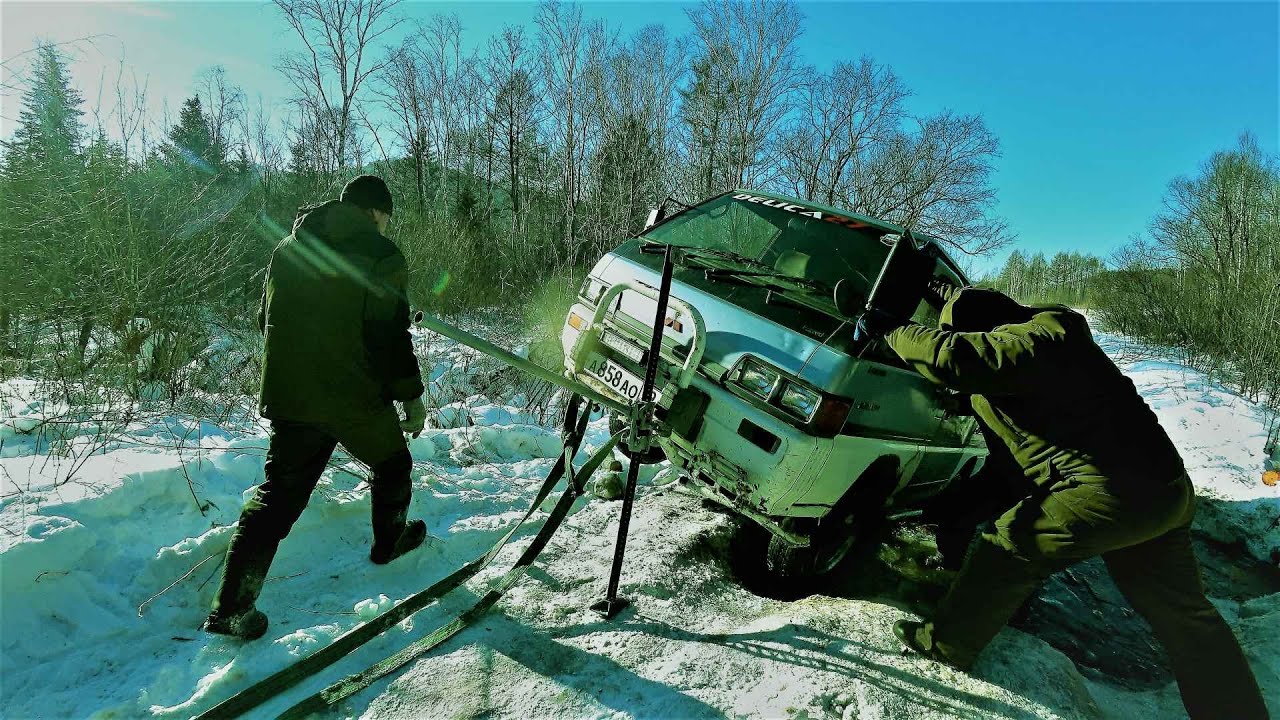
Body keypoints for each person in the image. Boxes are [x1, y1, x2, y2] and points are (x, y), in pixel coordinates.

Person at [861, 286, 1268, 720]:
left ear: (988, 330)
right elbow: (1010, 469)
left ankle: (943, 647)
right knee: (1188, 620)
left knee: (1007, 548)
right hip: (1165, 493)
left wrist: (891, 328)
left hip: (1111, 492)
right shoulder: (1040, 360)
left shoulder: (1041, 337)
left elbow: (958, 359)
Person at [203, 175, 429, 640]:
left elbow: (266, 319)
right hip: (353, 397)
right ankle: (389, 542)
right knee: (393, 463)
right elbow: (388, 337)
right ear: (374, 212)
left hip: (293, 396)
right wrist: (411, 396)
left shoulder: (287, 249)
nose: (387, 227)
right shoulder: (382, 254)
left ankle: (229, 609)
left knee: (276, 499)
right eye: (386, 218)